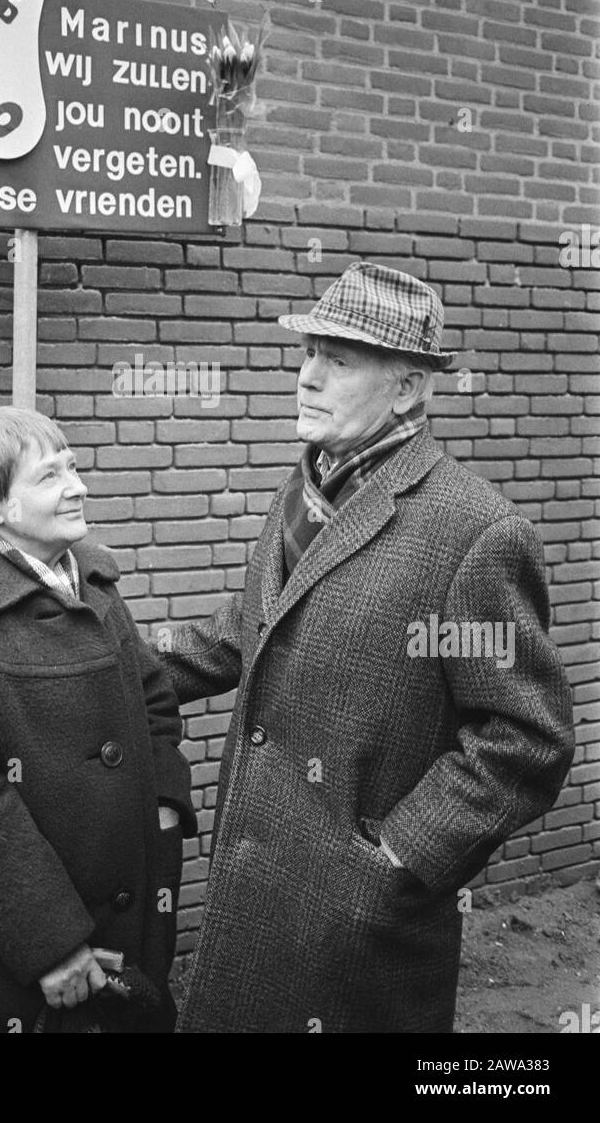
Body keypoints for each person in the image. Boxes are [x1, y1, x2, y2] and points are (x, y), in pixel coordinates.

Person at [160, 262, 575, 1034]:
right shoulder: (308, 489)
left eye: (338, 360)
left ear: (408, 389)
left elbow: (522, 739)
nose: (307, 377)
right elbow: (254, 627)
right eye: (307, 353)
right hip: (254, 891)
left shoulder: (473, 531)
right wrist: (108, 661)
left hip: (354, 924)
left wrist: (395, 858)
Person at [0, 406, 195, 1033]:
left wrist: (164, 805)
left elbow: (154, 701)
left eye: (74, 467)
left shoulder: (93, 577)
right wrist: (51, 943)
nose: (78, 486)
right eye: (50, 476)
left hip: (132, 909)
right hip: (20, 949)